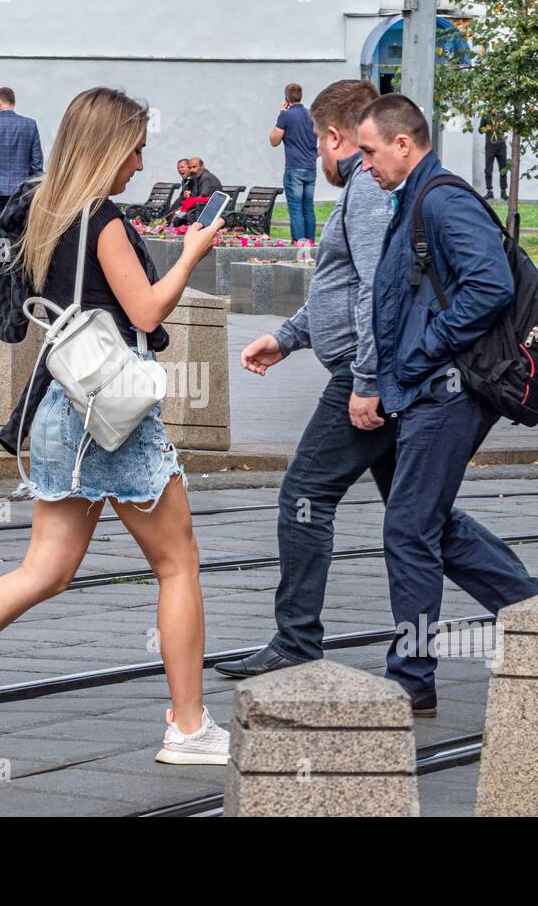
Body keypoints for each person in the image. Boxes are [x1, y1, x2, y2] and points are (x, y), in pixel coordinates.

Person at [0, 86, 231, 765]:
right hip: (113, 417)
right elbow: (148, 314)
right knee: (178, 562)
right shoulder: (106, 224)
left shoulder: (45, 213)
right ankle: (189, 727)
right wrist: (191, 253)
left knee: (43, 568)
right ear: (107, 149)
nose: (140, 158)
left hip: (61, 410)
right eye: (133, 145)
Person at [355, 94, 538, 712]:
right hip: (427, 386)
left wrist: (423, 352)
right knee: (429, 520)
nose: (364, 164)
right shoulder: (415, 198)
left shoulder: (441, 199)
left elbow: (489, 283)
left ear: (403, 145)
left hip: (449, 389)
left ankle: (412, 679)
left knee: (409, 525)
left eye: (369, 151)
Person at [216, 79, 399, 679]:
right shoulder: (369, 189)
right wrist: (288, 336)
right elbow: (342, 287)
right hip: (370, 370)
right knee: (423, 514)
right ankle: (537, 607)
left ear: (333, 135)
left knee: (305, 495)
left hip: (365, 375)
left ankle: (296, 640)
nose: (320, 156)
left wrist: (367, 381)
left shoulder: (367, 190)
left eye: (322, 141)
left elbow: (376, 291)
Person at [0, 86, 43, 275]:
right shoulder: (29, 125)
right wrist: (36, 190)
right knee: (20, 232)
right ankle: (17, 271)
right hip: (21, 192)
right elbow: (36, 161)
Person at [270, 83, 318, 242]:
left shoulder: (286, 115)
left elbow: (274, 141)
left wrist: (280, 114)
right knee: (308, 208)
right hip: (310, 168)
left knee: (296, 208)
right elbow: (323, 142)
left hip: (294, 168)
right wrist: (313, 156)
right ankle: (310, 242)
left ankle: (299, 243)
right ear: (300, 96)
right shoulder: (312, 115)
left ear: (286, 98)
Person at [483, 116, 508, 201]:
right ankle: (489, 191)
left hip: (501, 145)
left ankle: (503, 191)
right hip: (490, 145)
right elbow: (480, 129)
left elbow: (507, 128)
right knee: (488, 169)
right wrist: (487, 128)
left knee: (503, 168)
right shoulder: (486, 115)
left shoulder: (503, 114)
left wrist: (503, 126)